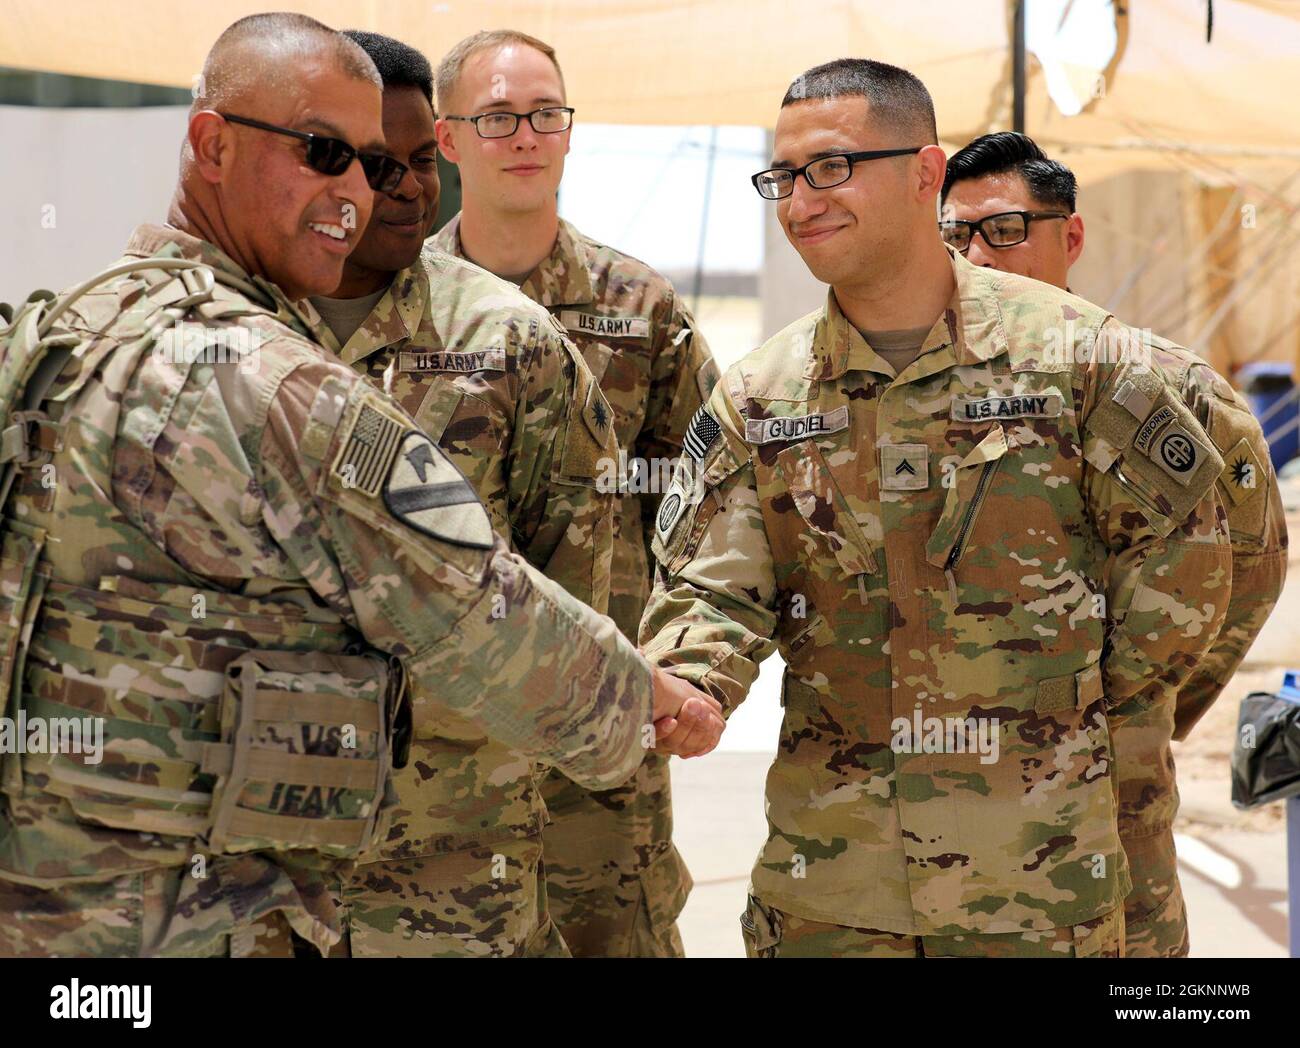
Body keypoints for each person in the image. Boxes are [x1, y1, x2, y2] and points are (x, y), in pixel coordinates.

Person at [0, 12, 720, 959]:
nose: (356, 192)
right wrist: (646, 704)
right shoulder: (275, 381)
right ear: (211, 145)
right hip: (181, 912)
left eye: (373, 162)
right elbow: (468, 607)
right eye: (322, 152)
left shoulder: (66, 329)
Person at [640, 58, 1236, 958]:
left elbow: (1190, 553)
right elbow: (713, 588)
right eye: (785, 178)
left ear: (926, 172)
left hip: (1037, 887)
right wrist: (692, 682)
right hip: (834, 894)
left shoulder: (1079, 360)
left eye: (832, 168)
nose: (802, 200)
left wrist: (1070, 711)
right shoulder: (760, 396)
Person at [304, 30, 619, 957]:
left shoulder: (510, 341)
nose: (404, 187)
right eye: (373, 164)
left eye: (414, 162)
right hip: (262, 851)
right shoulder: (236, 333)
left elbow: (572, 596)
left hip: (453, 859)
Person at [941, 131, 1288, 957]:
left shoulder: (1170, 387)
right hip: (934, 826)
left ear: (1073, 237)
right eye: (956, 234)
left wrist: (1135, 709)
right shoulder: (915, 393)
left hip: (1105, 820)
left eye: (1005, 229)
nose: (977, 255)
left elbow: (1250, 568)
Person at [429, 30, 719, 957]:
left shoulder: (641, 310)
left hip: (602, 727)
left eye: (546, 115)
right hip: (447, 740)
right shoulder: (401, 306)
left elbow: (712, 507)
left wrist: (681, 663)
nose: (526, 136)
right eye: (500, 117)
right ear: (447, 140)